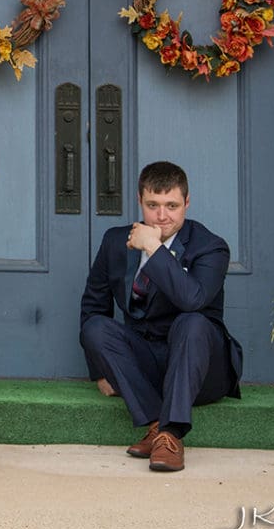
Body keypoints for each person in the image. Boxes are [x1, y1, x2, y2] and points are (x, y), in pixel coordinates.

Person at [78, 161, 242, 473]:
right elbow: (93, 307)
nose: (162, 216)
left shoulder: (210, 247)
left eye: (172, 206)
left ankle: (172, 432)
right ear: (139, 201)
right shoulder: (115, 241)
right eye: (153, 205)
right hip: (147, 366)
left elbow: (192, 299)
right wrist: (101, 371)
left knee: (192, 321)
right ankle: (157, 426)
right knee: (96, 328)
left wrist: (153, 247)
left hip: (201, 368)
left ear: (187, 204)